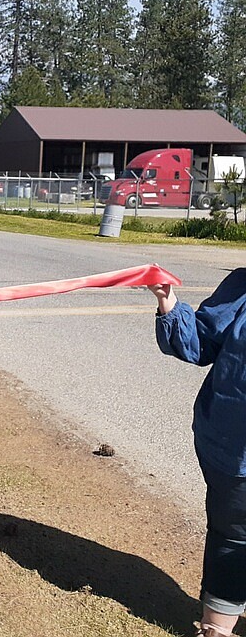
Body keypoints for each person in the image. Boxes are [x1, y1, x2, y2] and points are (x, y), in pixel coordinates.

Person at [152, 272, 246, 637]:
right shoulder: (241, 287)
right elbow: (201, 340)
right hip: (231, 449)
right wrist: (168, 301)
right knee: (233, 534)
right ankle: (217, 629)